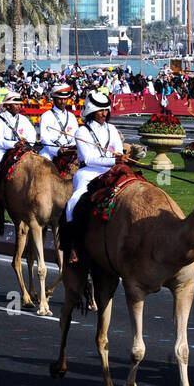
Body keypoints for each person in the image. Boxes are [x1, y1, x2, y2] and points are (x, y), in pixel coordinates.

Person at [61, 91, 126, 264]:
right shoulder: (82, 131)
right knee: (73, 202)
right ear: (91, 111)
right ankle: (73, 245)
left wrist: (119, 159)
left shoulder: (112, 129)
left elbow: (118, 150)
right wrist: (114, 159)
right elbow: (88, 159)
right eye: (100, 111)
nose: (104, 114)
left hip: (112, 171)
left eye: (106, 110)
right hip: (89, 173)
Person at [0, 90, 35, 216]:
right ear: (8, 106)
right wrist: (14, 144)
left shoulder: (23, 119)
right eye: (16, 104)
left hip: (22, 149)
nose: (19, 106)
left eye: (19, 104)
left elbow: (32, 134)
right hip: (2, 150)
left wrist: (27, 143)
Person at [38, 83, 78, 160]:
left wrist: (72, 147)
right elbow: (44, 139)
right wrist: (57, 150)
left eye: (65, 99)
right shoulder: (46, 116)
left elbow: (75, 136)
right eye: (60, 99)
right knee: (43, 160)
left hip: (69, 149)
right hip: (51, 151)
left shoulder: (72, 116)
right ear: (54, 99)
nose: (63, 102)